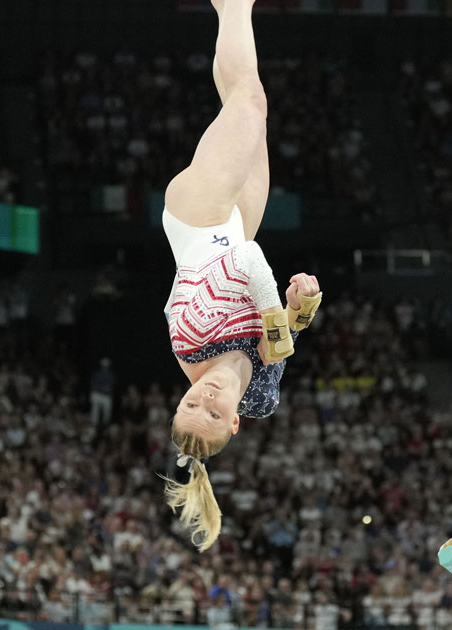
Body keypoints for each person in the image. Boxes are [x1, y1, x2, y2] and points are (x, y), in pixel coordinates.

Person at [160, 0, 323, 552]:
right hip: (238, 227)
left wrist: (277, 318)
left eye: (190, 405)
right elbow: (281, 341)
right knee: (249, 100)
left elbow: (250, 265)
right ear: (234, 424)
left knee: (248, 104)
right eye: (213, 411)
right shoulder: (260, 401)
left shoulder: (190, 338)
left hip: (197, 217)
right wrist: (303, 303)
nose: (204, 397)